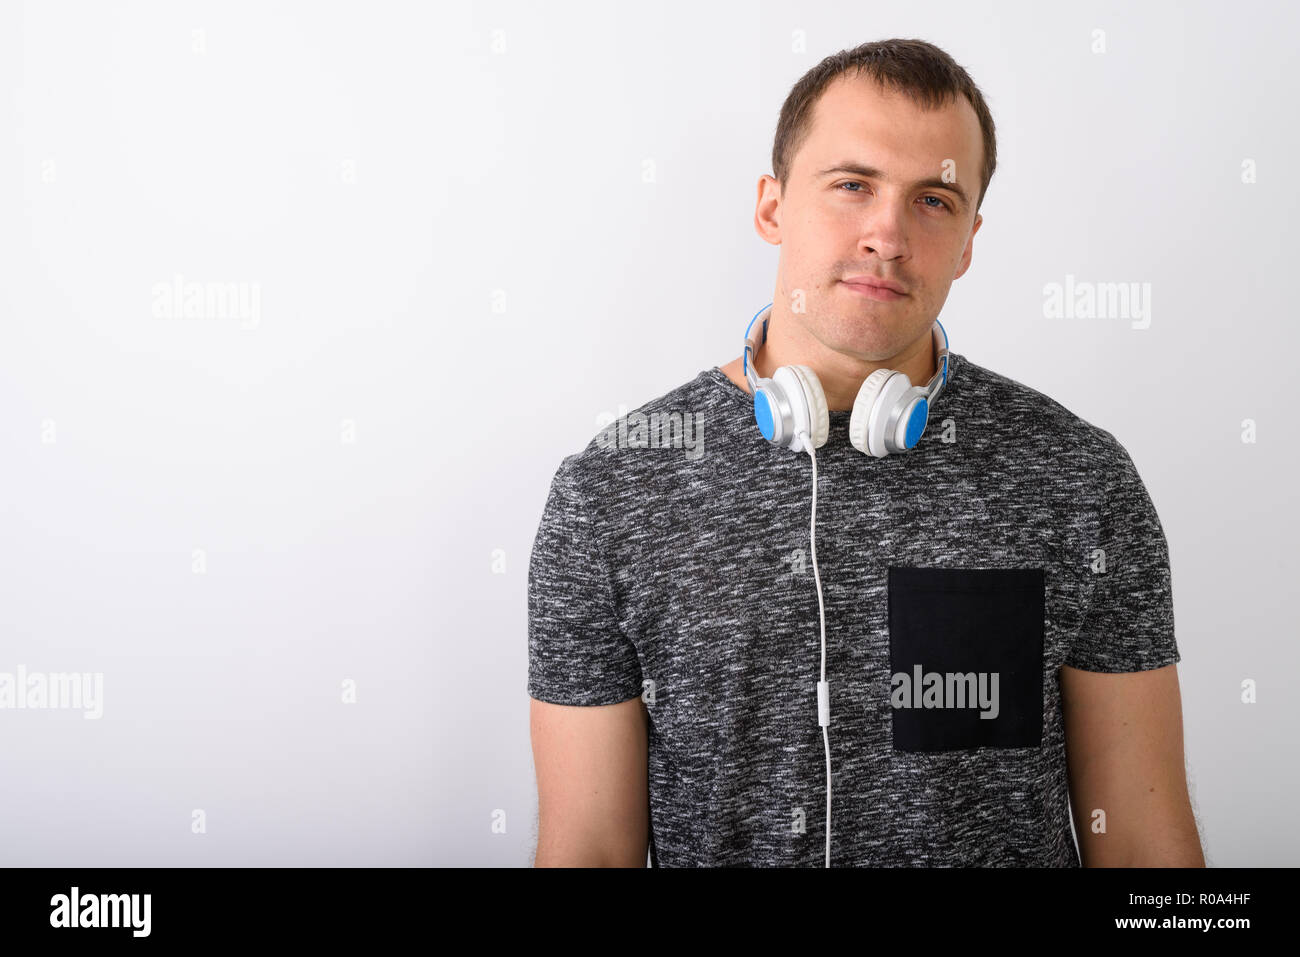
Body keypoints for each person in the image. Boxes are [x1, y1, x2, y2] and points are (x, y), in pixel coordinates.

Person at [527, 38, 1204, 867]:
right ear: (772, 208)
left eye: (934, 200)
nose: (887, 233)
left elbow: (1142, 848)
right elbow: (589, 848)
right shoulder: (611, 488)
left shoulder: (1080, 479)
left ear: (968, 240)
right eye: (852, 186)